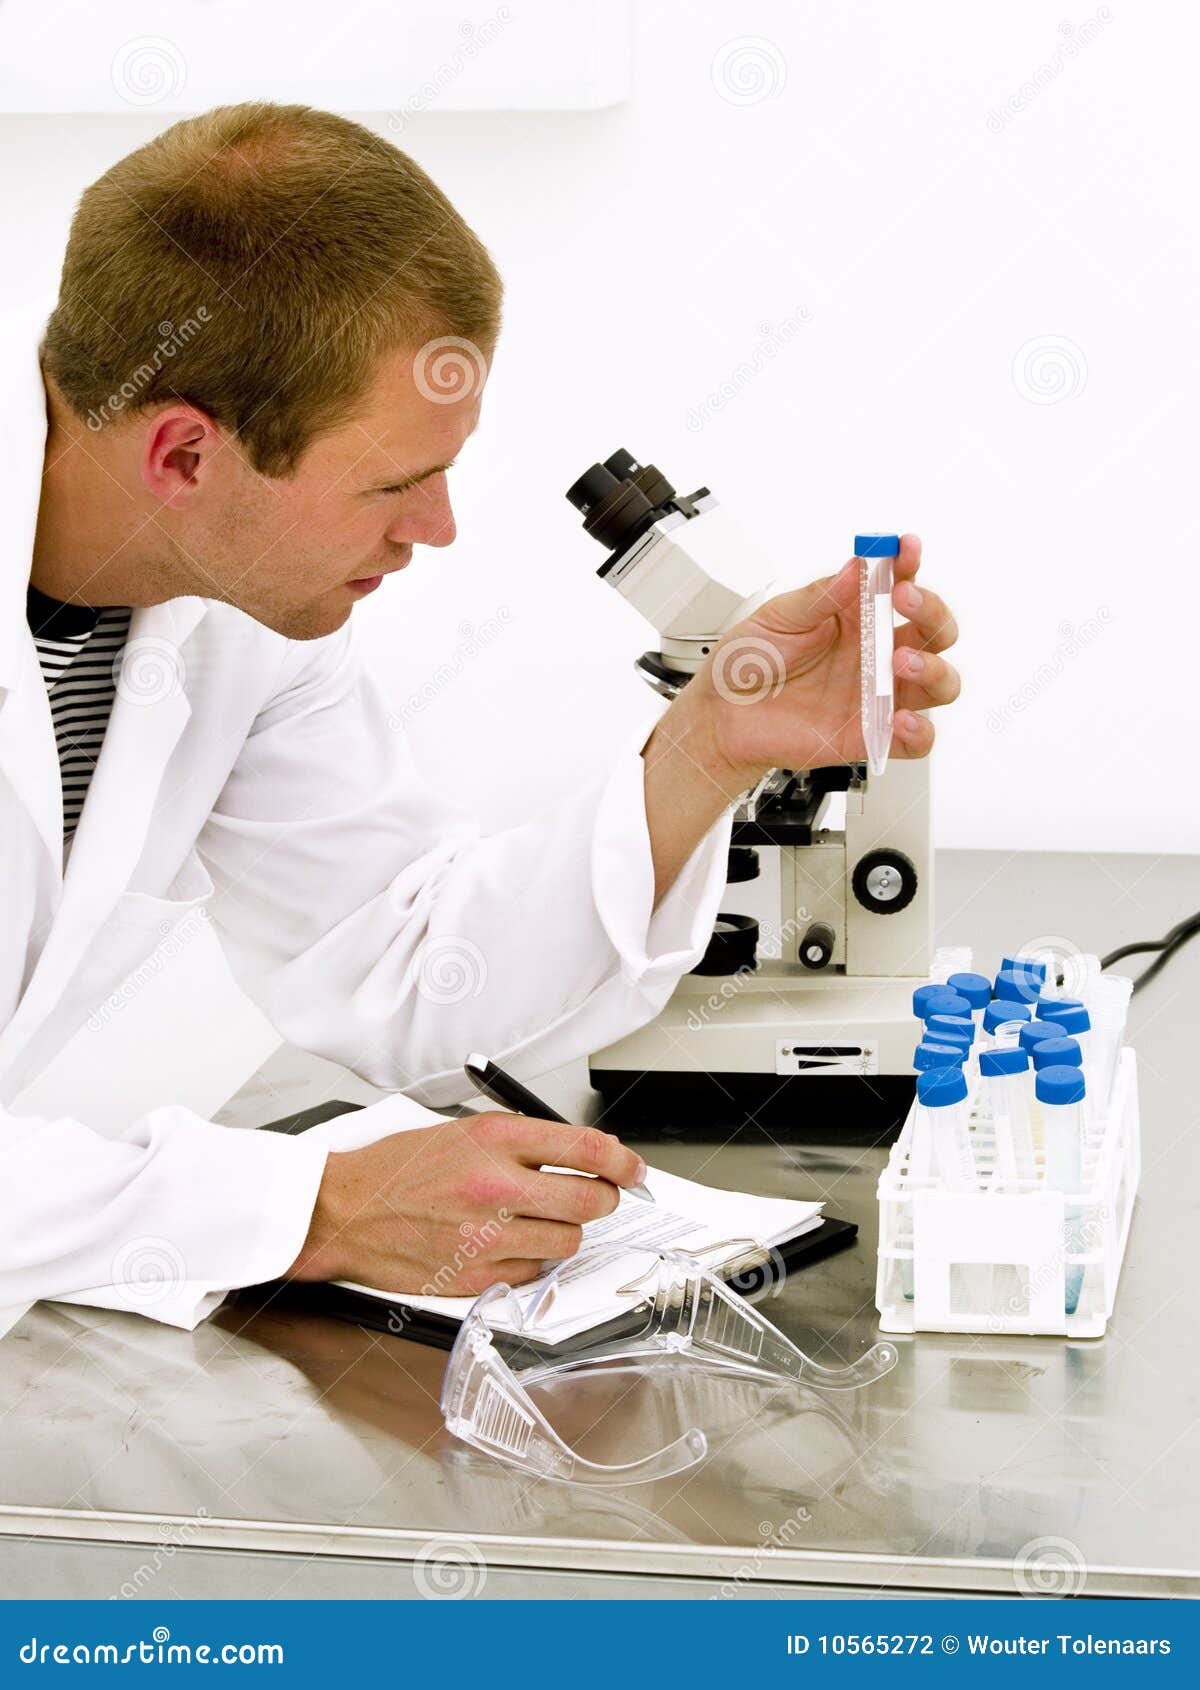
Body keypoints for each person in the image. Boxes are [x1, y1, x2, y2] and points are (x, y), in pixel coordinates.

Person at [0, 103, 960, 1327]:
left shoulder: (242, 607)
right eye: (395, 484)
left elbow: (402, 957)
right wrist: (314, 1207)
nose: (437, 528)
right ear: (184, 457)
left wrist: (713, 741)